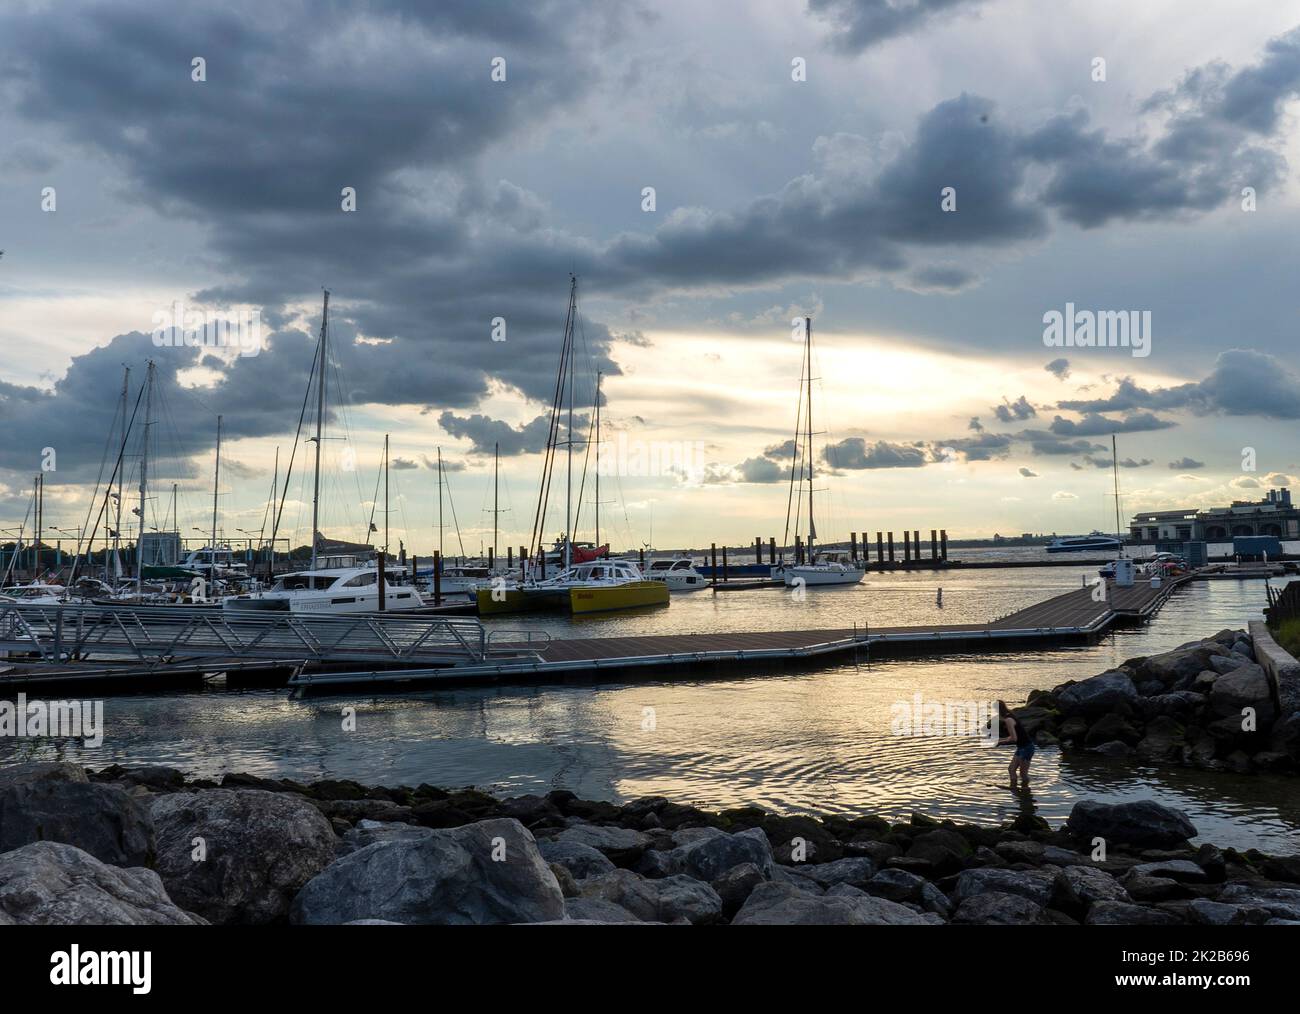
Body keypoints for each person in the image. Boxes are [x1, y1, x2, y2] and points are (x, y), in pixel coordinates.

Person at [997, 700, 1034, 790]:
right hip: (1021, 747)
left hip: (1027, 748)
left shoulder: (1008, 720)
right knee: (1011, 769)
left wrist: (1000, 742)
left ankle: (1026, 793)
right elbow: (1013, 736)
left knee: (1023, 774)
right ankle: (1014, 789)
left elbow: (1014, 739)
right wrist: (1000, 740)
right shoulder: (1009, 716)